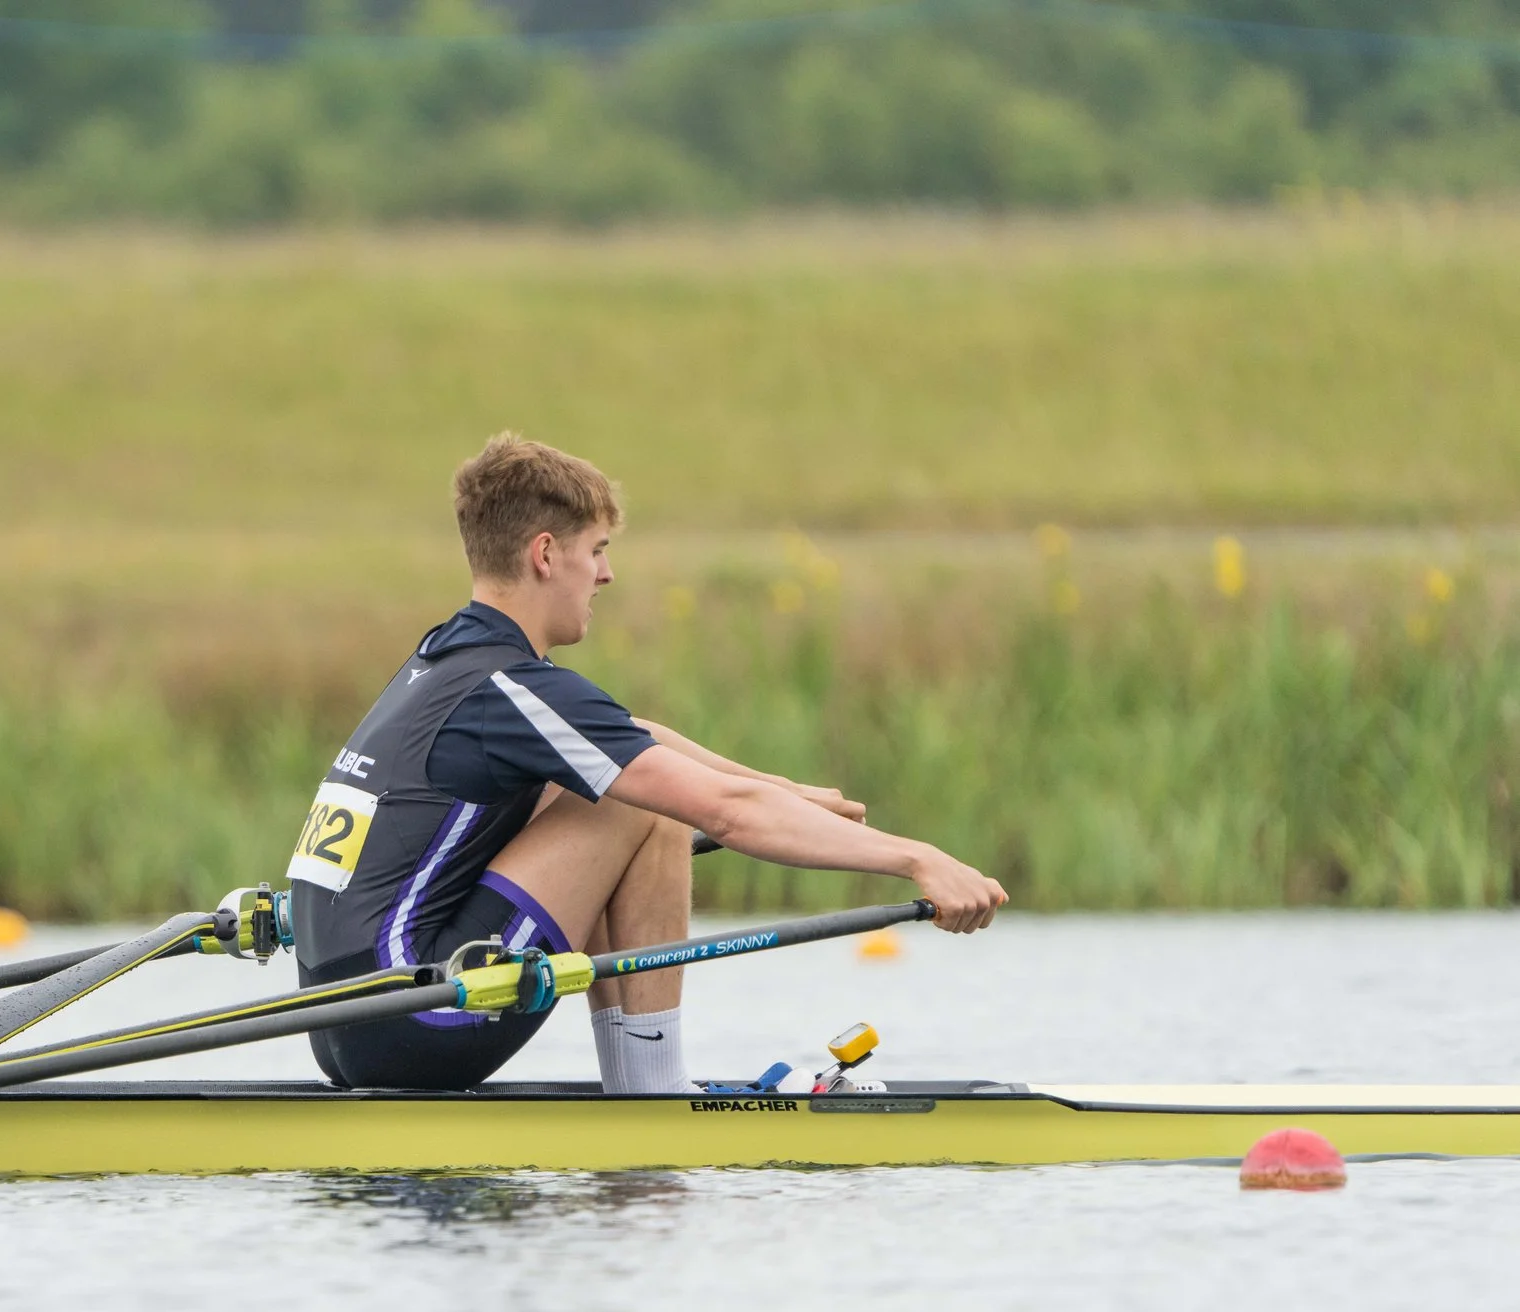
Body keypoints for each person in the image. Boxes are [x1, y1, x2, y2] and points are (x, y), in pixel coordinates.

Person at [285, 433, 1008, 1094]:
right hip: (420, 1022)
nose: (606, 573)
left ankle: (643, 1085)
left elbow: (636, 734)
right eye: (595, 550)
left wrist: (781, 789)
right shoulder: (511, 689)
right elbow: (716, 810)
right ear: (545, 555)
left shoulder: (442, 663)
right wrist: (918, 859)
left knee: (618, 775)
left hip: (338, 1025)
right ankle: (654, 1089)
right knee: (646, 802)